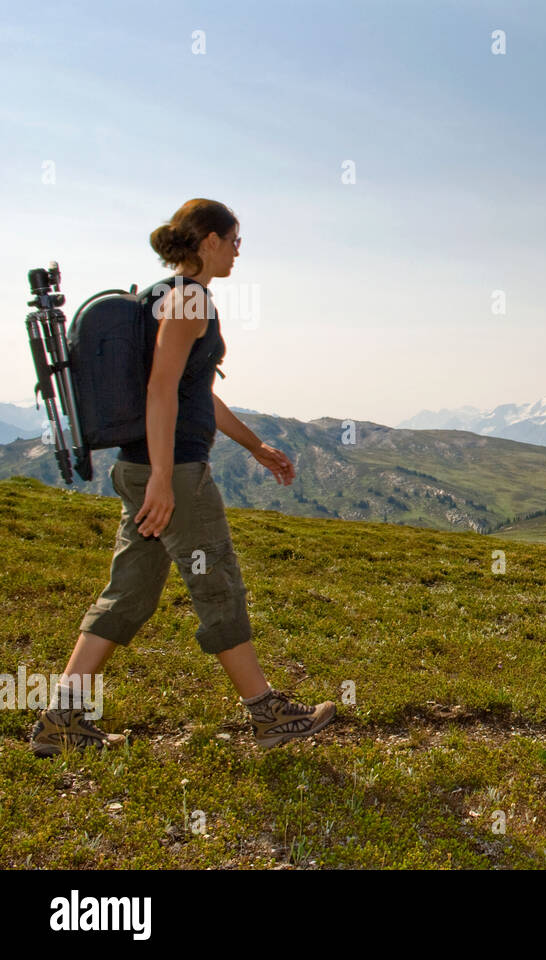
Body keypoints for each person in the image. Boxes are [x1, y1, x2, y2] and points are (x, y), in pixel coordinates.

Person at [30, 198, 335, 755]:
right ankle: (267, 715)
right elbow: (161, 390)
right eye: (235, 239)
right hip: (171, 472)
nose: (239, 250)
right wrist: (166, 480)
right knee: (216, 582)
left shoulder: (159, 296)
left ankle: (61, 721)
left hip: (144, 465)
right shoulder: (189, 300)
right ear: (209, 241)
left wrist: (256, 446)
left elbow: (194, 392)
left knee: (128, 592)